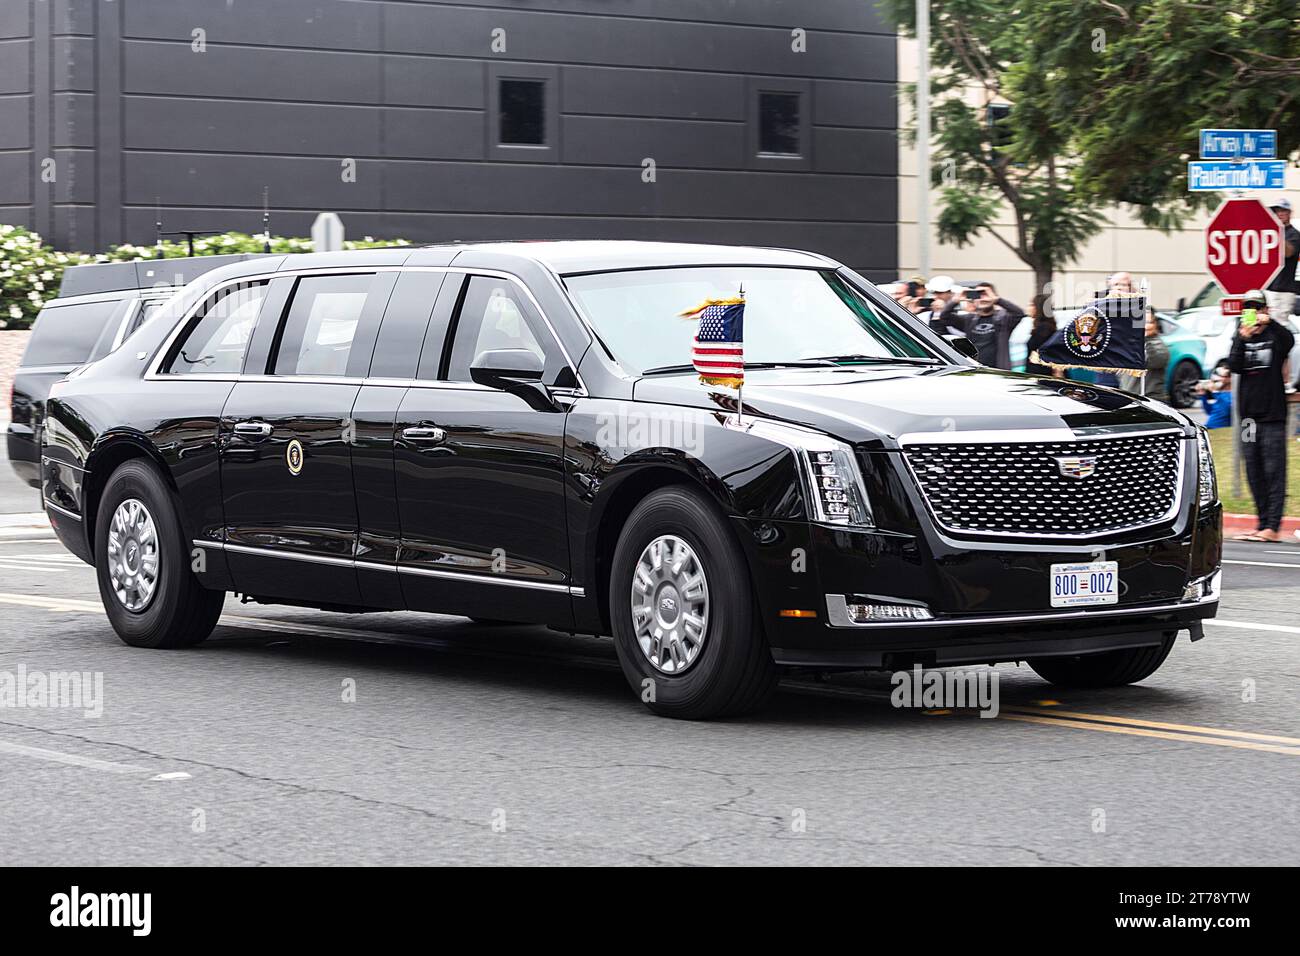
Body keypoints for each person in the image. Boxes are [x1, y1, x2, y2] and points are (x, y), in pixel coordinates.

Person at [1227, 290, 1295, 542]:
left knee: (1273, 471)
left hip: (1272, 416)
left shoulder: (1275, 336)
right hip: (1248, 418)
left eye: (1257, 308)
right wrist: (1241, 338)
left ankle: (1272, 527)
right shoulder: (1241, 335)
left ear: (1265, 310)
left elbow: (1289, 341)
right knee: (1253, 469)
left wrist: (1271, 323)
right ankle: (1261, 522)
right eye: (1248, 308)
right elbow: (1234, 365)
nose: (1253, 313)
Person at [938, 280, 1024, 369]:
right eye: (978, 294)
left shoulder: (1003, 319)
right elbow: (944, 317)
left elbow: (1019, 313)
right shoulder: (969, 319)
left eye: (986, 294)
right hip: (975, 369)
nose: (982, 298)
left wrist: (997, 300)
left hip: (997, 370)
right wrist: (955, 301)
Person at [1119, 306, 1170, 400]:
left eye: (1148, 322)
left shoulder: (1157, 344)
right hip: (1129, 398)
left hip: (1151, 400)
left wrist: (1144, 338)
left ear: (1156, 325)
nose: (1144, 326)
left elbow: (1156, 360)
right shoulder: (1128, 343)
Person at [1265, 197, 1298, 320]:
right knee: (1265, 324)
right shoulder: (1269, 233)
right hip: (1267, 288)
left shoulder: (1294, 234)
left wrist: (1276, 232)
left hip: (1283, 291)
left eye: (1283, 210)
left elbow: (1288, 252)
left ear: (1289, 213)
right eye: (1276, 211)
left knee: (1278, 324)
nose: (1279, 214)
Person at [1023, 294, 1060, 377]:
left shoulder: (1044, 329)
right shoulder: (1044, 327)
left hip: (1041, 375)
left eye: (1031, 305)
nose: (1028, 308)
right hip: (1038, 374)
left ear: (1038, 308)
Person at [1195, 362, 1233, 429]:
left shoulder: (1232, 395)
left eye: (1222, 376)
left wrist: (1214, 392)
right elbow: (1210, 411)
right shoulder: (1221, 394)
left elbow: (1227, 407)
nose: (1219, 379)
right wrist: (1203, 396)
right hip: (1209, 427)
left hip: (1220, 429)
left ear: (1230, 378)